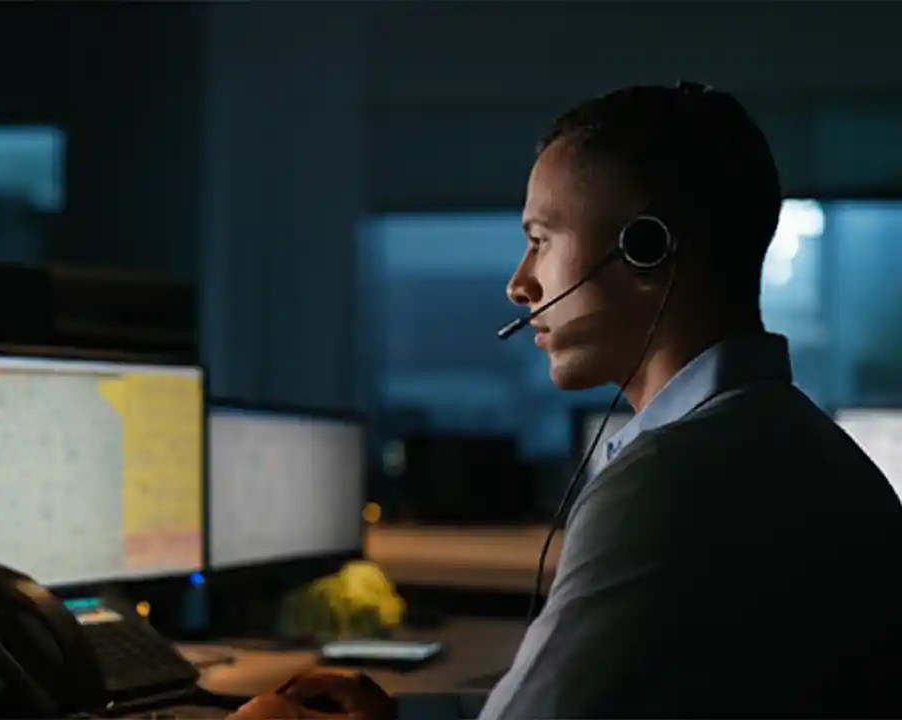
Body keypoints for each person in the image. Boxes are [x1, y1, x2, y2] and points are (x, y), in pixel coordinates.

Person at [228, 82, 902, 720]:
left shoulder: (671, 483)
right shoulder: (802, 445)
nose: (519, 283)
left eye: (540, 241)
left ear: (646, 250)